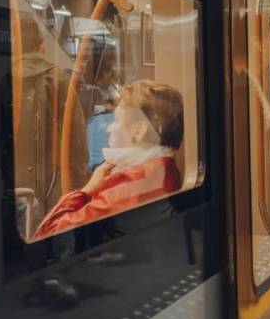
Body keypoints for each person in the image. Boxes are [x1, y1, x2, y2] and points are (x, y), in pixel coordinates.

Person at [34, 80, 184, 238]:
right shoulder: (164, 168)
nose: (108, 128)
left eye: (117, 121)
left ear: (139, 130)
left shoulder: (131, 185)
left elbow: (49, 234)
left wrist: (87, 191)